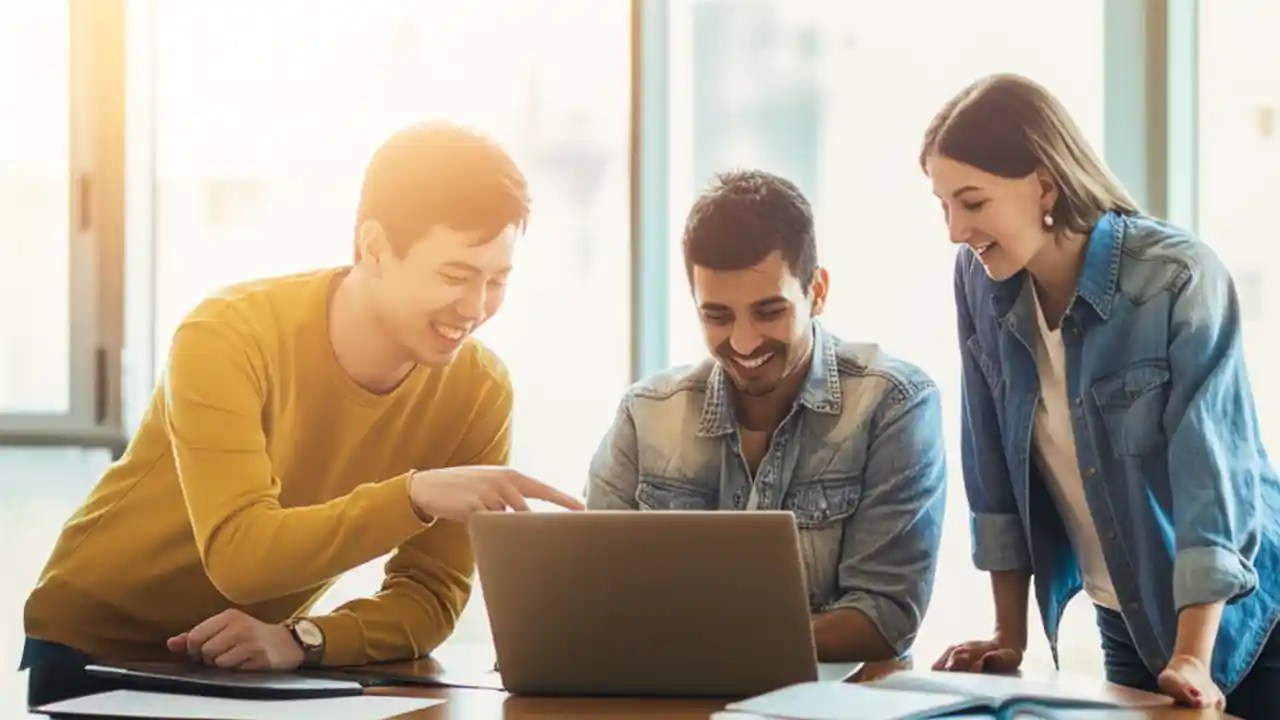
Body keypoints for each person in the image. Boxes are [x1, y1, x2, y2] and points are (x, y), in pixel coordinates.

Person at [20, 122, 583, 707]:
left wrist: (302, 639)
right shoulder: (228, 334)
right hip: (92, 646)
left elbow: (430, 595)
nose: (475, 308)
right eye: (455, 275)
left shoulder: (479, 391)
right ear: (373, 247)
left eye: (496, 281)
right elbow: (239, 557)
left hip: (245, 660)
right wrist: (413, 496)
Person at [923, 73, 1280, 718]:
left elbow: (1213, 483)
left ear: (1045, 185)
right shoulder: (979, 282)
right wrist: (1010, 635)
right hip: (1129, 611)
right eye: (943, 204)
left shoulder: (1177, 277)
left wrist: (1194, 655)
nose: (954, 230)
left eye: (972, 203)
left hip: (1245, 619)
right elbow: (992, 470)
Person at [586, 169, 947, 665]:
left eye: (769, 311)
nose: (744, 342)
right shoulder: (645, 414)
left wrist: (701, 642)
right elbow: (594, 598)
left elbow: (885, 617)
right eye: (717, 316)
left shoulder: (893, 404)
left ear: (816, 292)